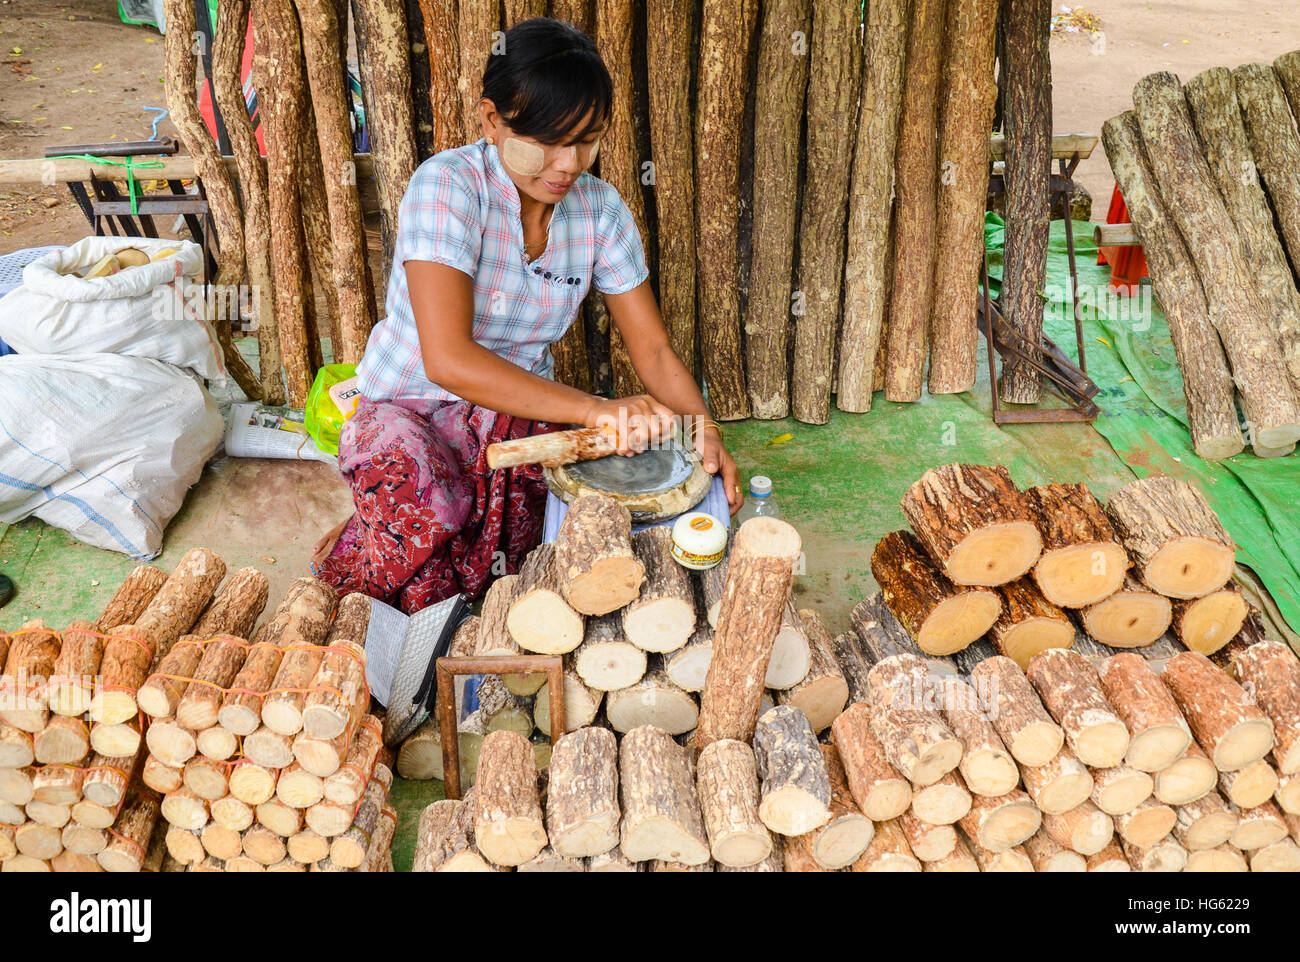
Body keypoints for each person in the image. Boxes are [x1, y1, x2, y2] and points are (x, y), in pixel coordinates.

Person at [313, 16, 740, 614]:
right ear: (492, 120)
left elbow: (655, 351)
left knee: (536, 550)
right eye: (543, 140)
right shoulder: (449, 187)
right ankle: (358, 551)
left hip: (512, 410)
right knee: (430, 520)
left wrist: (704, 431)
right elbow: (448, 361)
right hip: (407, 405)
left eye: (587, 140)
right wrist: (599, 410)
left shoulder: (600, 212)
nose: (567, 163)